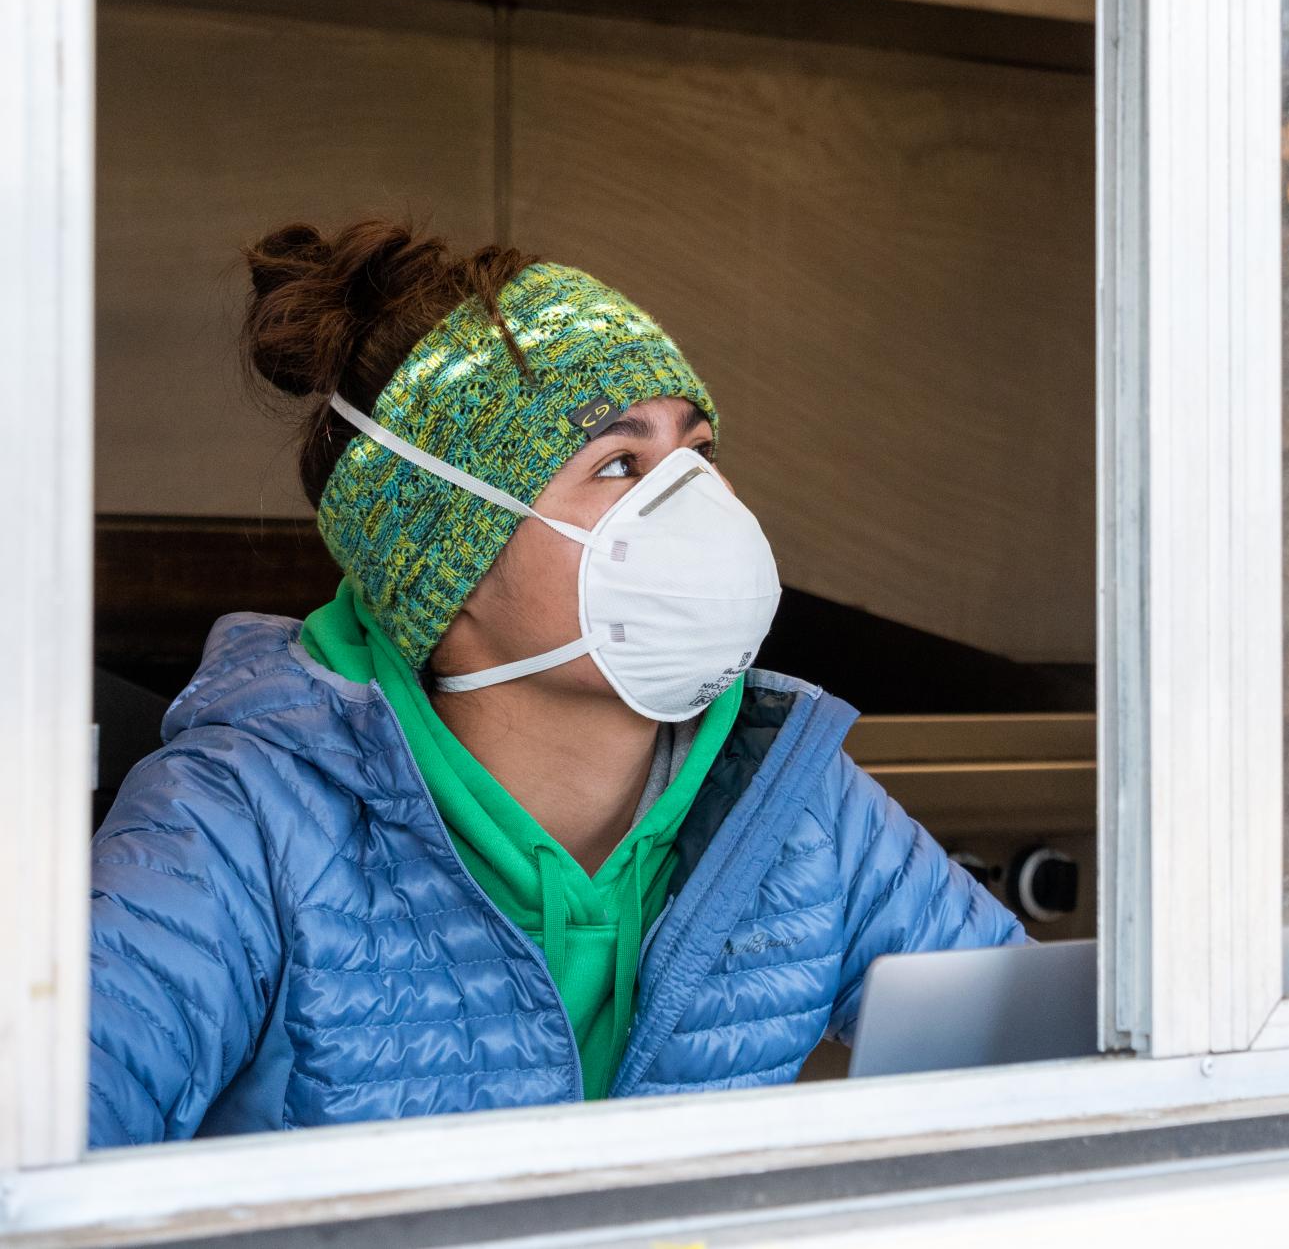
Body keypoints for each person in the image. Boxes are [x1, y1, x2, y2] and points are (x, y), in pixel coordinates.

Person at [87, 222, 1025, 1146]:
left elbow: (1052, 1077)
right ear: (443, 564)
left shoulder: (793, 802)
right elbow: (42, 1148)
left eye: (697, 454)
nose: (700, 506)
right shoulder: (235, 824)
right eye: (620, 464)